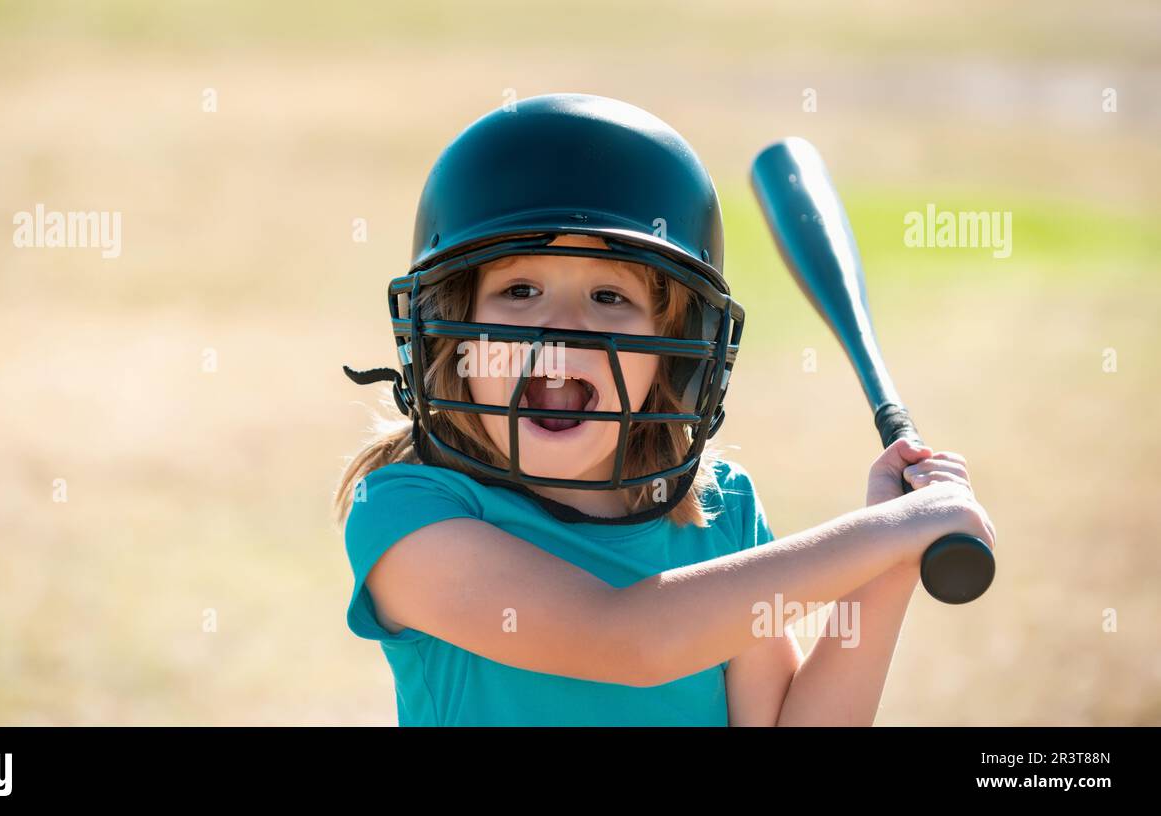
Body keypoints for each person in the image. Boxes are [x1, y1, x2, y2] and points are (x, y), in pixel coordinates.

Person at [335, 93, 995, 726]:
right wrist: (880, 535)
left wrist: (889, 560)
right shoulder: (407, 511)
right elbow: (625, 637)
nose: (562, 329)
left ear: (670, 355)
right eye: (520, 289)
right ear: (455, 334)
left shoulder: (717, 511)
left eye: (609, 296)